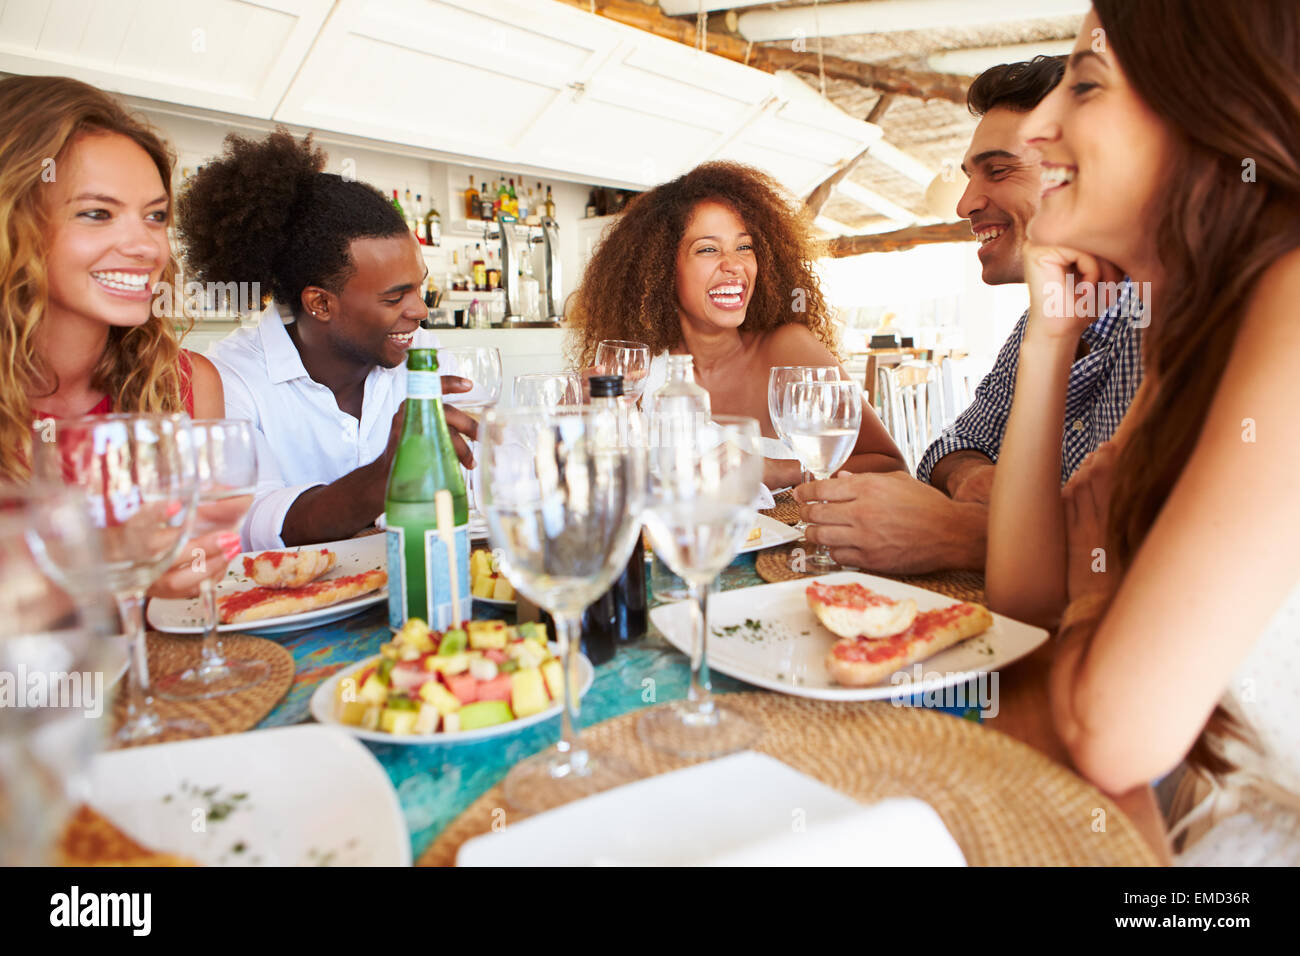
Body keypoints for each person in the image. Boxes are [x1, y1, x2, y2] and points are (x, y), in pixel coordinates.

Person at [988, 0, 1300, 864]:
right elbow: (1023, 608)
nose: (1041, 126)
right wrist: (1052, 336)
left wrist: (1095, 593)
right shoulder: (1194, 339)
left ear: (1213, 107)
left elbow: (1110, 733)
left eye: (1085, 85)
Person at [794, 55, 1145, 574]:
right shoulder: (1042, 321)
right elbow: (952, 445)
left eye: (998, 171)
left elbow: (1172, 556)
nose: (963, 205)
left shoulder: (1174, 327)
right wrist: (971, 479)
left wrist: (963, 534)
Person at [178, 128, 478, 550]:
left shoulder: (423, 353)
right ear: (320, 303)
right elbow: (247, 523)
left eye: (418, 288)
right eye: (395, 297)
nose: (420, 311)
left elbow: (488, 468)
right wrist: (388, 474)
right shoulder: (232, 378)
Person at [0, 74, 234, 598]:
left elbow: (195, 576)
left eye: (154, 217)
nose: (146, 247)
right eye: (97, 214)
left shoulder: (187, 384)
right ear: (12, 221)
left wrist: (186, 570)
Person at [566, 161, 905, 485]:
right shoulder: (645, 371)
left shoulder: (789, 347)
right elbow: (593, 482)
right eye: (708, 250)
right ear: (661, 270)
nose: (734, 265)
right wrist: (572, 421)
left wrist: (775, 470)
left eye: (745, 246)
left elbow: (890, 465)